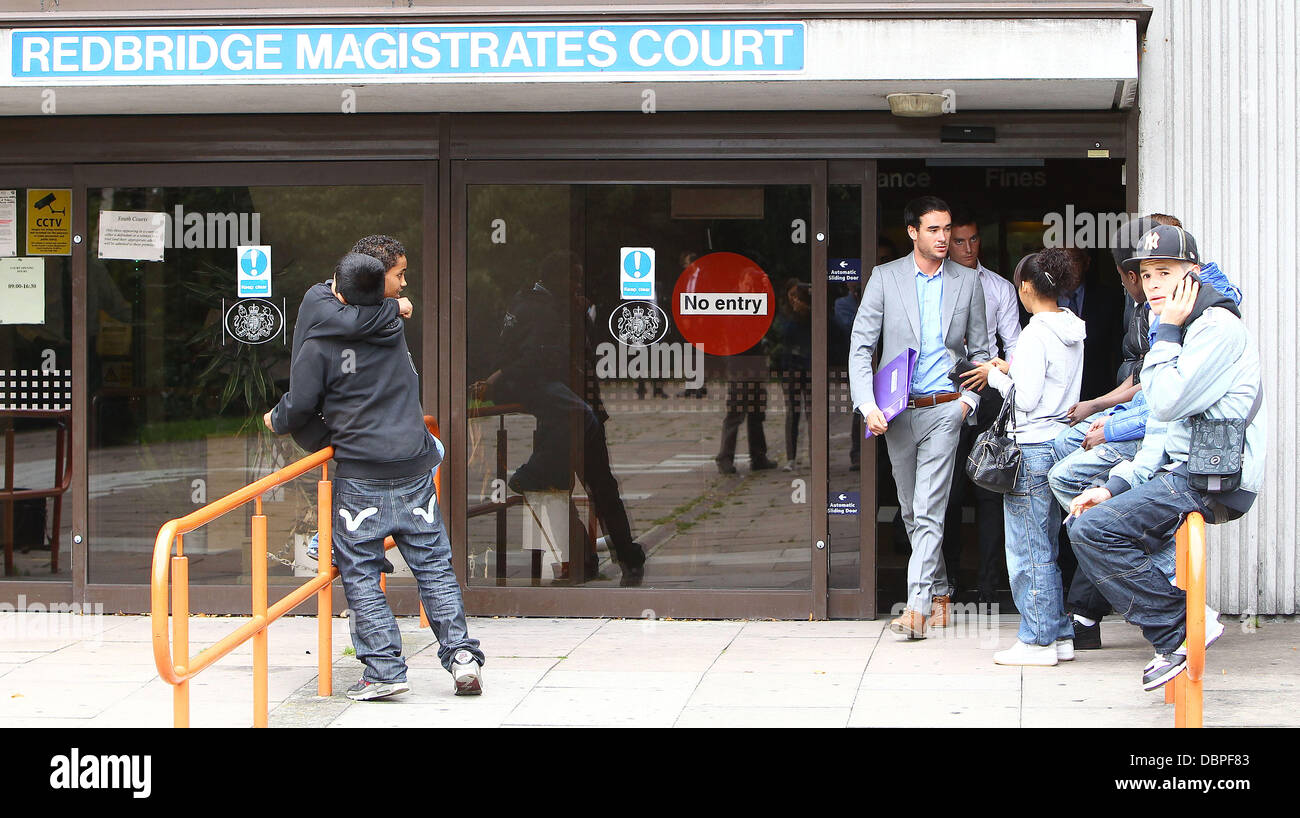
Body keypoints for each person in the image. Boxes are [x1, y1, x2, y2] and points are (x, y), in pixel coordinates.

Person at [266, 238, 485, 701]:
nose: (404, 286)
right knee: (433, 565)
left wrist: (277, 420)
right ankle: (462, 656)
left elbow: (302, 404)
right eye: (398, 278)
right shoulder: (391, 324)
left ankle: (385, 669)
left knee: (361, 570)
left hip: (361, 472)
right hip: (412, 464)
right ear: (378, 291)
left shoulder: (320, 343)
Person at [1068, 224, 1265, 690]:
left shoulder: (1214, 327)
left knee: (1095, 531)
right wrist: (1114, 485)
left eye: (1165, 272)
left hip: (1216, 476)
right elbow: (1161, 430)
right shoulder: (1182, 328)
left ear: (1192, 274)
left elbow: (1165, 402)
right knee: (1088, 521)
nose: (1153, 284)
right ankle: (1177, 631)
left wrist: (1168, 332)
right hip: (1183, 471)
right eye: (1146, 274)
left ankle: (1181, 627)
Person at [849, 196, 990, 638]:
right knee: (911, 510)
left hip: (946, 408)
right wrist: (867, 405)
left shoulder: (967, 282)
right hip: (897, 414)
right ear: (913, 232)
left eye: (947, 229)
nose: (944, 238)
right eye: (934, 229)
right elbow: (860, 347)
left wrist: (967, 403)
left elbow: (982, 353)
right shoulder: (885, 278)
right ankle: (943, 590)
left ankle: (916, 609)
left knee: (930, 508)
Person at [471, 251, 648, 586]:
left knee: (572, 488)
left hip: (569, 409)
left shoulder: (539, 305)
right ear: (557, 279)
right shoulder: (544, 311)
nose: (578, 286)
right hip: (566, 412)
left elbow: (578, 350)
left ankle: (588, 559)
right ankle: (610, 557)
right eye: (574, 279)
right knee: (585, 486)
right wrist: (498, 380)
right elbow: (540, 359)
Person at [969, 250, 1085, 666]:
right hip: (1059, 441)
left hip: (1031, 446)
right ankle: (1059, 635)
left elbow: (1027, 397)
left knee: (1027, 550)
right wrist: (1012, 368)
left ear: (1027, 288)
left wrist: (995, 375)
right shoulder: (1071, 328)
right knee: (1048, 544)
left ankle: (1037, 641)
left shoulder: (1036, 333)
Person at [942, 206, 1020, 604]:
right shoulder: (935, 284)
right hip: (947, 387)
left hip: (988, 387)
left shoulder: (1000, 287)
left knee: (992, 489)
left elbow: (1015, 345)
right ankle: (949, 580)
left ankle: (990, 584)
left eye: (973, 239)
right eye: (959, 241)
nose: (968, 247)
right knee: (949, 493)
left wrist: (997, 370)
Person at [771, 278, 812, 471]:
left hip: (812, 367)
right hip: (791, 368)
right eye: (792, 295)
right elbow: (781, 337)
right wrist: (796, 315)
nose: (796, 299)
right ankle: (791, 457)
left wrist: (808, 312)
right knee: (792, 413)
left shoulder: (813, 312)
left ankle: (816, 454)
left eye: (799, 295)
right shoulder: (785, 315)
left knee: (814, 414)